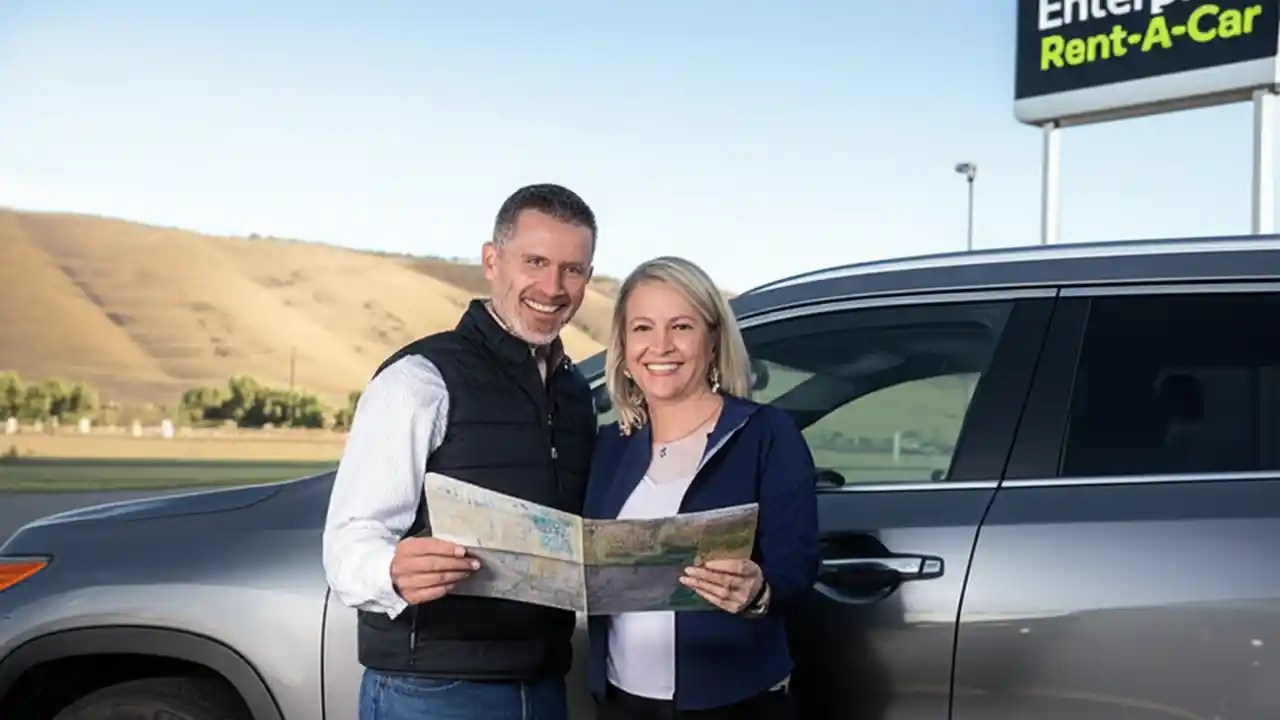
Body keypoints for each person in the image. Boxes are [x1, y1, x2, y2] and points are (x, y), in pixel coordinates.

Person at [322, 183, 601, 720]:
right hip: (433, 693)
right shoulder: (419, 380)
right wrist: (391, 570)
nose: (553, 286)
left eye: (573, 269)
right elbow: (347, 542)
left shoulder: (574, 395)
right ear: (492, 261)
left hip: (544, 684)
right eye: (536, 261)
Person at [582, 256, 820, 719]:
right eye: (643, 328)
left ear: (712, 340)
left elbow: (796, 564)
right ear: (624, 344)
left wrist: (758, 591)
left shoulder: (766, 434)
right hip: (621, 701)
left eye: (682, 327)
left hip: (734, 702)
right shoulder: (609, 445)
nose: (661, 346)